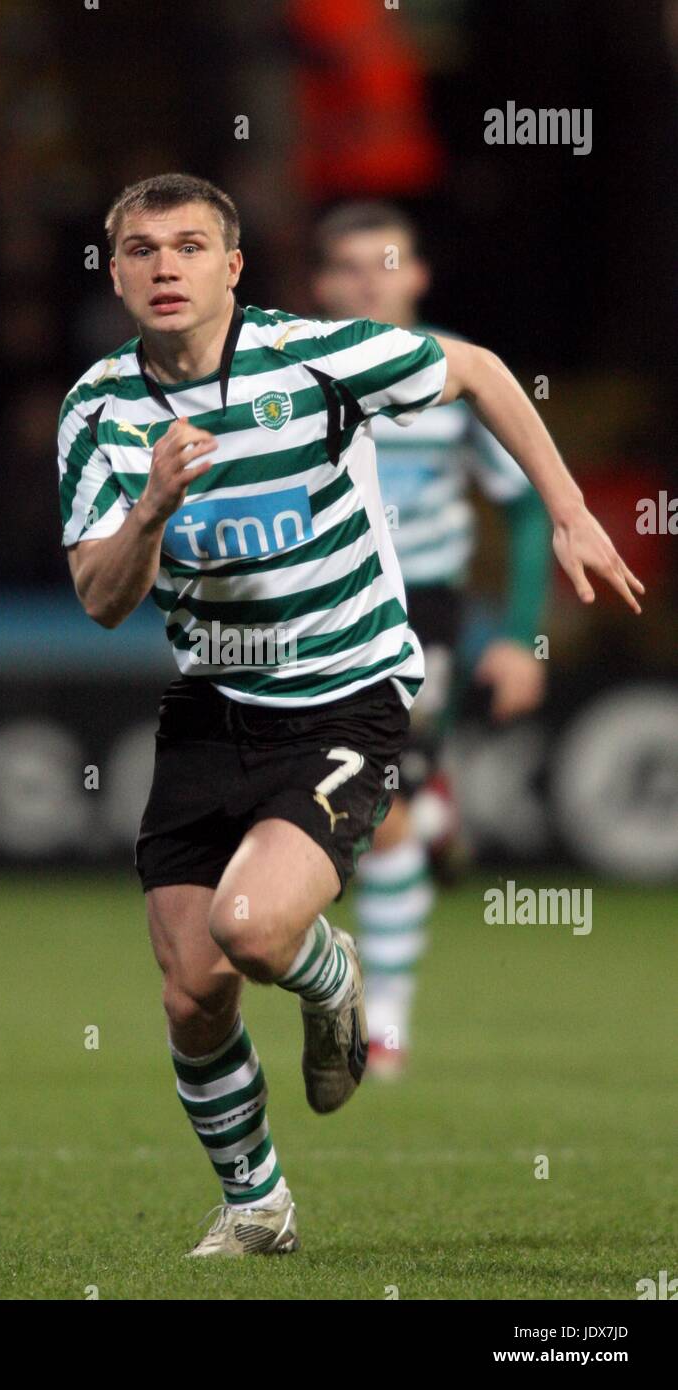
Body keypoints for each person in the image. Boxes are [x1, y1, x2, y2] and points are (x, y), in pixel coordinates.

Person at [58, 173, 642, 1257]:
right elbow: (100, 600)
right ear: (115, 273)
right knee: (192, 991)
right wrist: (149, 508)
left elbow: (475, 370)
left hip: (345, 696)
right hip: (209, 704)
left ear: (232, 267)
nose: (165, 266)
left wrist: (565, 512)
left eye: (190, 246)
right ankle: (257, 1205)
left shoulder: (309, 356)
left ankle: (337, 985)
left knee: (250, 929)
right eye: (141, 250)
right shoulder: (97, 410)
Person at [312, 200, 552, 1077]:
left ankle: (388, 1030)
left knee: (386, 816)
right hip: (323, 615)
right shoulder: (294, 382)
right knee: (373, 811)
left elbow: (524, 507)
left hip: (424, 615)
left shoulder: (456, 380)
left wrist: (519, 635)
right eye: (345, 267)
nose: (366, 279)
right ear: (320, 286)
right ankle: (439, 810)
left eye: (384, 261)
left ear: (417, 274)